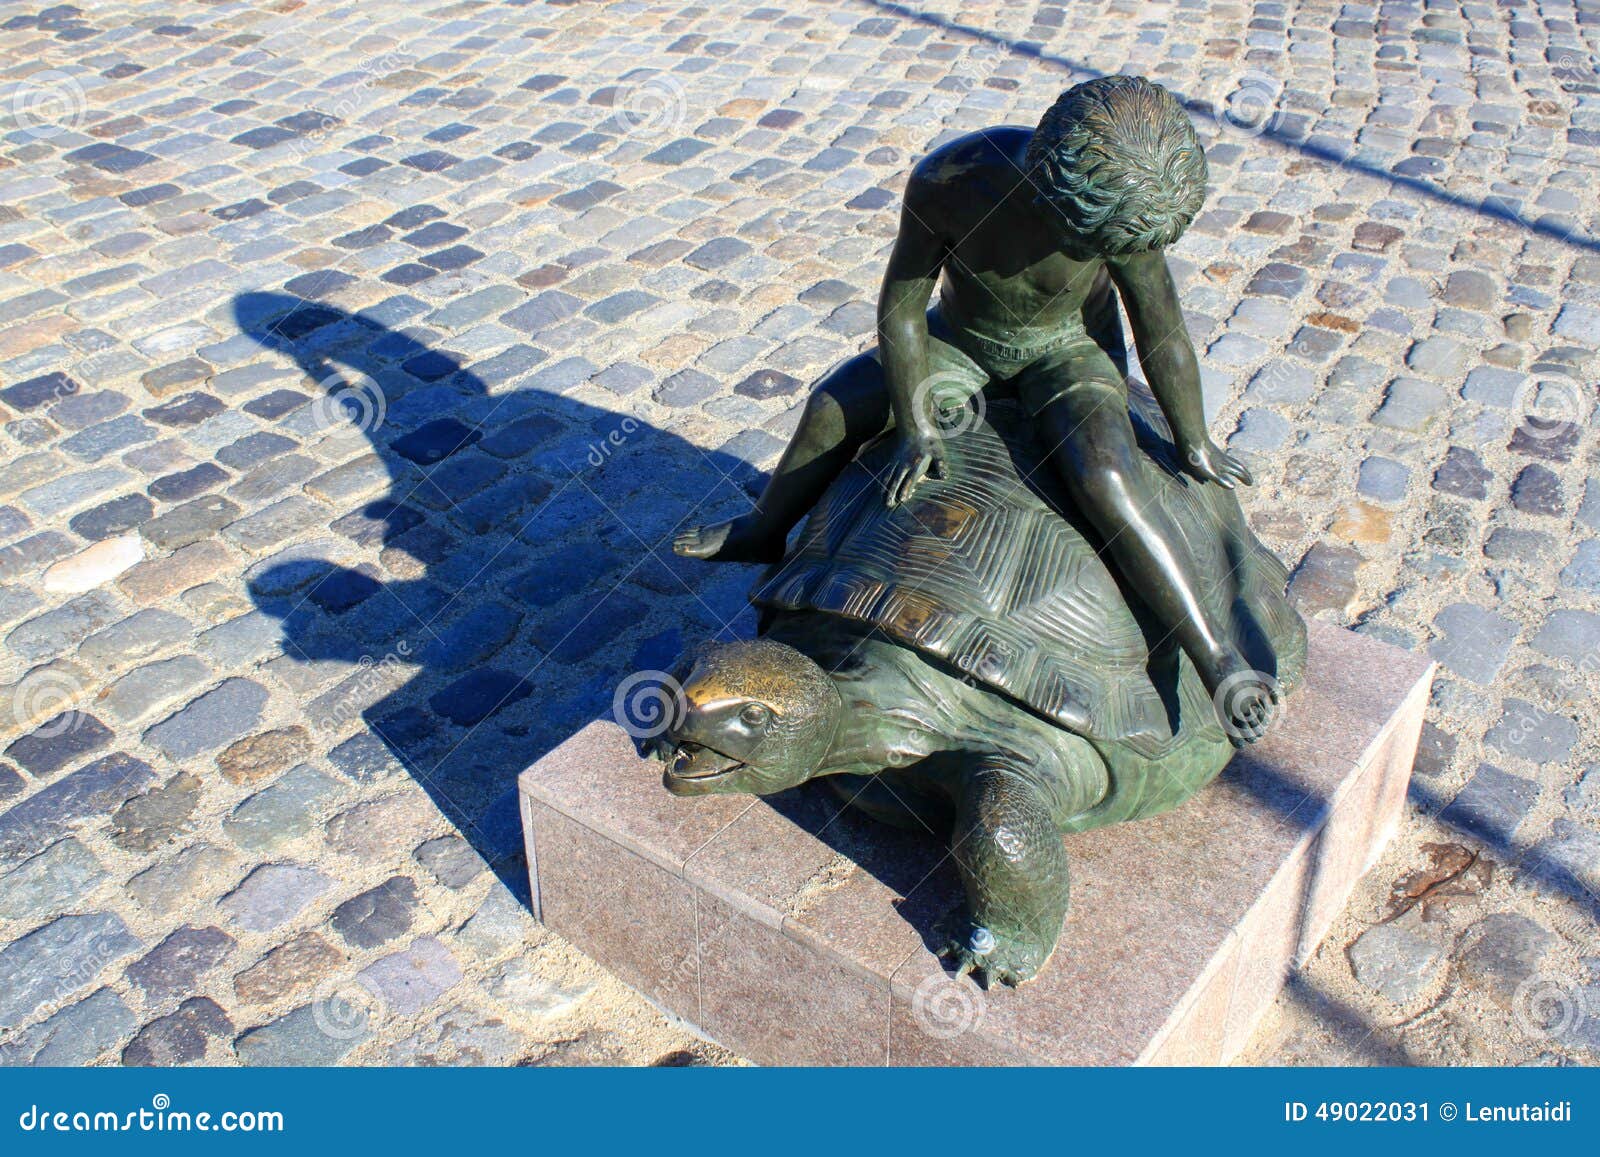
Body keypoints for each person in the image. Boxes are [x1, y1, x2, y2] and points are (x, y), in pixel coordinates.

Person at [676, 75, 1278, 739]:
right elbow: (902, 306)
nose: (1103, 255)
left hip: (1068, 354)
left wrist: (1191, 439)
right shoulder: (953, 181)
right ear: (1049, 190)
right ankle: (763, 528)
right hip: (962, 341)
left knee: (1108, 478)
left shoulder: (1126, 223)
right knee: (830, 406)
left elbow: (1161, 332)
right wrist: (914, 426)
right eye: (1088, 241)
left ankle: (1217, 657)